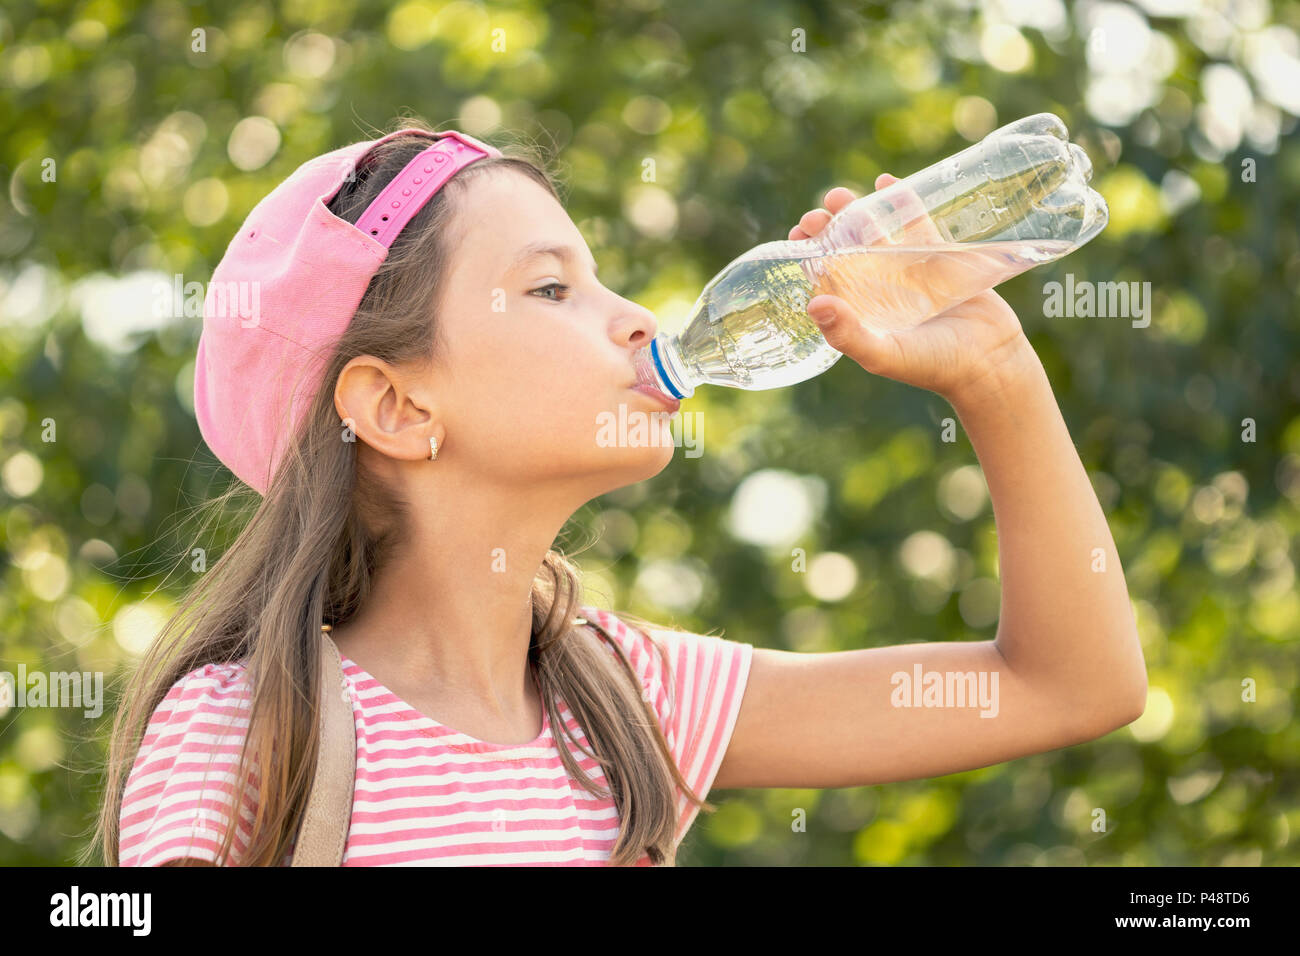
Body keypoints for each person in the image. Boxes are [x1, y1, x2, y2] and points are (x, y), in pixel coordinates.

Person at [92, 118, 1146, 867]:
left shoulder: (625, 698)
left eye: (600, 278)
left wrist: (992, 371)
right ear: (399, 408)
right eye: (552, 287)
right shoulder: (250, 728)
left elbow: (1070, 682)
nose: (638, 315)